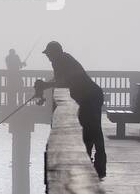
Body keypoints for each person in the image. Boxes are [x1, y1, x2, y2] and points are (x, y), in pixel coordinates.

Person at [35, 41, 107, 179]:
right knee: (90, 130)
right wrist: (45, 85)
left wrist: (44, 85)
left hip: (91, 97)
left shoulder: (61, 61)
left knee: (93, 130)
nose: (48, 57)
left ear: (56, 52)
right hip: (89, 97)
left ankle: (98, 166)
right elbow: (59, 80)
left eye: (49, 54)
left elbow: (63, 82)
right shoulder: (63, 60)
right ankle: (94, 164)